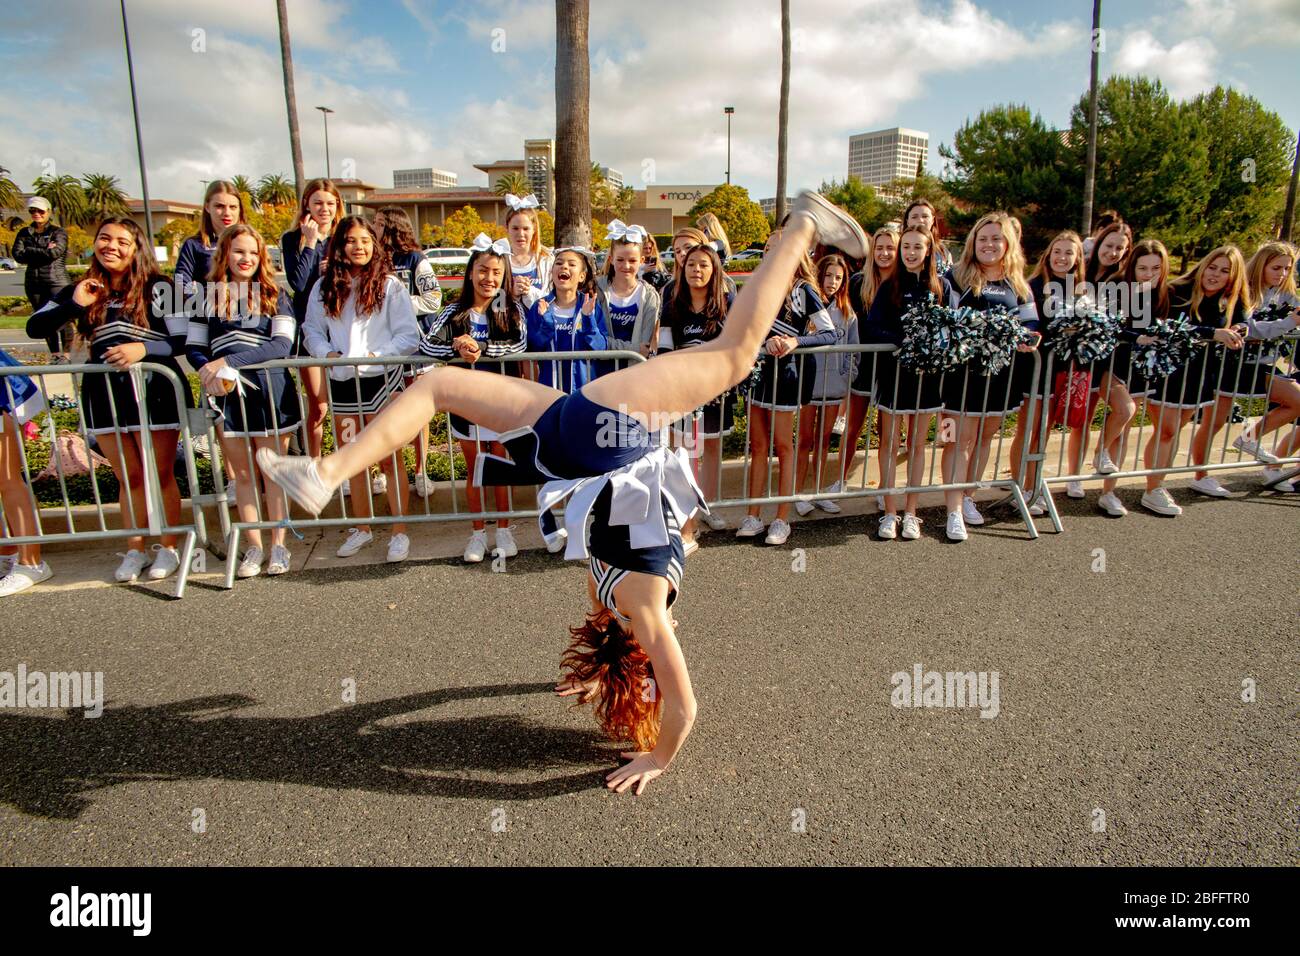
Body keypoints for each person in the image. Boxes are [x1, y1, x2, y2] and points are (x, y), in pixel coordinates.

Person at [256, 190, 868, 795]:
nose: (660, 660)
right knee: (443, 384)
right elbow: (685, 708)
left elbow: (680, 704)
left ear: (634, 653)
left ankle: (329, 473)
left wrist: (632, 712)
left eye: (644, 667)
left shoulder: (635, 601)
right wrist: (655, 755)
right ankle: (803, 225)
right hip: (578, 441)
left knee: (732, 355)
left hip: (598, 436)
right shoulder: (629, 598)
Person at [26, 217, 192, 583]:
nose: (111, 246)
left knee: (159, 473)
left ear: (136, 248)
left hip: (154, 390)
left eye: (121, 241)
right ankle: (134, 549)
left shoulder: (160, 288)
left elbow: (185, 340)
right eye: (104, 239)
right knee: (127, 475)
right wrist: (74, 303)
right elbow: (35, 328)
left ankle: (168, 547)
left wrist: (143, 348)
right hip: (104, 394)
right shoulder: (84, 288)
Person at [302, 215, 421, 561]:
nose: (360, 247)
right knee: (353, 459)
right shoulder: (324, 286)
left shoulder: (390, 285)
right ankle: (362, 527)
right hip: (342, 383)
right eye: (352, 240)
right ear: (339, 244)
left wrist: (376, 356)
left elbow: (408, 336)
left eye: (366, 240)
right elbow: (310, 330)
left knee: (388, 457)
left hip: (381, 382)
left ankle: (399, 532)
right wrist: (328, 355)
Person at [186, 224, 299, 579]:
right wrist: (207, 369)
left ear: (261, 257)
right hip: (226, 397)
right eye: (238, 251)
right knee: (245, 476)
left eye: (253, 252)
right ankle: (254, 547)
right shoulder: (207, 298)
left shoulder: (275, 294)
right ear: (225, 255)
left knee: (273, 472)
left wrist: (229, 363)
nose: (246, 258)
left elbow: (282, 345)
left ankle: (279, 545)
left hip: (269, 390)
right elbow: (194, 347)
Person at [418, 234, 527, 563]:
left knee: (502, 465)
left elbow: (519, 346)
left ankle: (504, 531)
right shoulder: (453, 310)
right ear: (470, 272)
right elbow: (426, 345)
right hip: (466, 406)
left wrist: (483, 349)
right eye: (482, 270)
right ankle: (478, 533)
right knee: (476, 468)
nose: (488, 278)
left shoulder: (510, 310)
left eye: (495, 272)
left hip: (501, 403)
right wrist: (455, 346)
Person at [941, 212, 1039, 541]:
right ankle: (952, 510)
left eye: (996, 238)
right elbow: (945, 319)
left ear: (1008, 244)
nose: (989, 244)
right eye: (982, 238)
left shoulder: (1018, 284)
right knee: (957, 440)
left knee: (984, 436)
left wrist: (1029, 338)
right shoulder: (956, 277)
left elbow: (1031, 323)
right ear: (973, 243)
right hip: (960, 375)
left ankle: (968, 497)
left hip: (1000, 376)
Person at [736, 229, 836, 546]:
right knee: (758, 446)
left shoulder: (803, 290)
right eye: (768, 249)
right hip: (758, 374)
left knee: (783, 446)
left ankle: (781, 518)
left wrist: (795, 340)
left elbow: (829, 332)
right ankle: (753, 515)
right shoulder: (755, 288)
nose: (773, 254)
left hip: (787, 376)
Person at [861, 225, 955, 540]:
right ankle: (889, 512)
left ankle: (911, 513)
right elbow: (872, 327)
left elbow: (951, 329)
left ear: (929, 251)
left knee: (917, 444)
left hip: (926, 379)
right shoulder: (890, 286)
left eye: (918, 247)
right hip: (894, 375)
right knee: (889, 444)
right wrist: (904, 340)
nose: (911, 252)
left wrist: (932, 345)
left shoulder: (941, 287)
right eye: (907, 247)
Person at [1139, 247, 1247, 516]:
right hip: (1167, 371)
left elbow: (1244, 321)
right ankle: (1153, 489)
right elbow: (1166, 326)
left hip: (1199, 375)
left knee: (1175, 430)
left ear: (1232, 277)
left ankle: (1158, 483)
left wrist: (1239, 329)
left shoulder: (1230, 300)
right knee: (1166, 430)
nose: (1216, 275)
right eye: (1212, 267)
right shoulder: (1176, 291)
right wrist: (1213, 333)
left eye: (1225, 271)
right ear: (1203, 266)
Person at [374, 206, 443, 500]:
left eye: (378, 223)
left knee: (418, 412)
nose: (373, 228)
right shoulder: (372, 261)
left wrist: (399, 306)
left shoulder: (416, 259)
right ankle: (384, 469)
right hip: (380, 348)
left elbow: (434, 299)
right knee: (383, 410)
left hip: (414, 348)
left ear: (392, 226)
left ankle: (420, 469)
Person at [281, 178, 343, 460]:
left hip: (342, 327)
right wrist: (309, 243)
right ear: (306, 203)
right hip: (310, 330)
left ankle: (349, 464)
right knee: (319, 406)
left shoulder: (345, 236)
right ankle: (314, 463)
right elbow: (297, 281)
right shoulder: (292, 238)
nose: (325, 209)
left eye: (330, 203)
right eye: (318, 202)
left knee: (346, 404)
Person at [794, 253, 856, 518]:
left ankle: (818, 492)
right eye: (828, 275)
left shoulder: (847, 312)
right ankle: (797, 493)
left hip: (834, 386)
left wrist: (847, 375)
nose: (832, 281)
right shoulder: (810, 307)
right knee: (805, 440)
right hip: (809, 386)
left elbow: (854, 349)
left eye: (838, 278)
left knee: (822, 441)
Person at [0, 347, 53, 596]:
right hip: (10, 395)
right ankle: (8, 553)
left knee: (8, 480)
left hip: (5, 400)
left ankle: (31, 563)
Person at [13, 197, 71, 363]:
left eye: (40, 211)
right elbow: (17, 255)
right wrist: (42, 250)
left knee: (64, 318)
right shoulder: (24, 233)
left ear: (48, 212)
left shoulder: (58, 232)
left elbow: (55, 253)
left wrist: (29, 251)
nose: (36, 214)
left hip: (57, 282)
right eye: (32, 210)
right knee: (44, 318)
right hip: (34, 283)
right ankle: (55, 355)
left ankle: (66, 355)